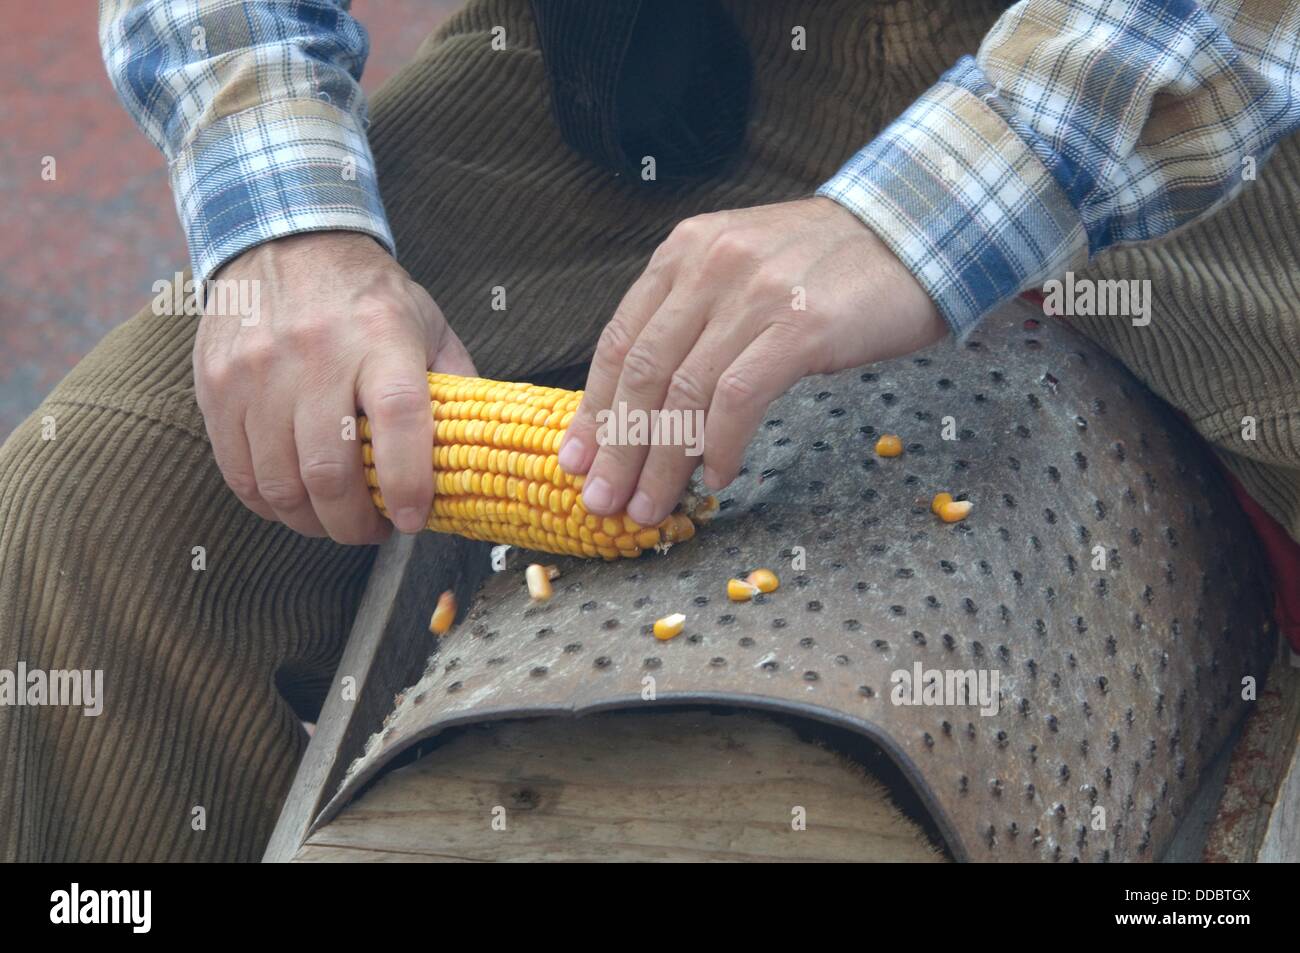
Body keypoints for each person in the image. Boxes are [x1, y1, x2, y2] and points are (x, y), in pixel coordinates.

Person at [0, 0, 1296, 861]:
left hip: (1155, 74)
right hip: (666, 72)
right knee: (90, 510)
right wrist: (284, 216)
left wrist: (922, 214)